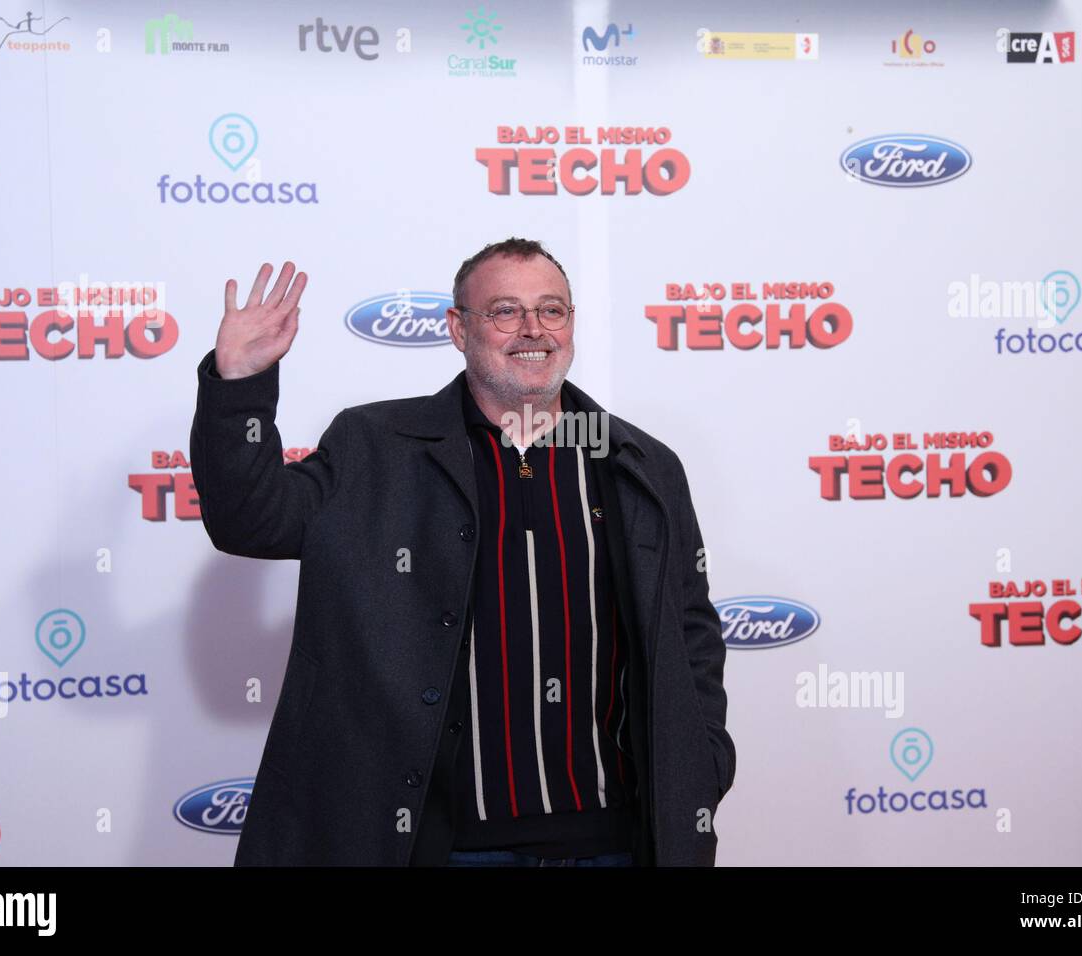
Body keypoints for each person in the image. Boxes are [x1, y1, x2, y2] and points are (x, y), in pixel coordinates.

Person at [189, 238, 735, 866]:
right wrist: (241, 385)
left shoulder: (640, 465)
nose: (533, 329)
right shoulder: (377, 447)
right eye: (505, 311)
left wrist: (703, 759)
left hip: (616, 845)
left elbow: (691, 631)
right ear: (458, 329)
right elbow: (249, 521)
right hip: (441, 850)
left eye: (552, 310)